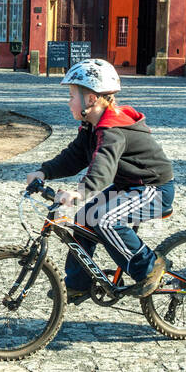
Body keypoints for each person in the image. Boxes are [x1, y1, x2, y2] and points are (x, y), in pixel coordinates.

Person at [26, 58, 174, 303]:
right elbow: (74, 157)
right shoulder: (91, 126)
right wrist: (44, 172)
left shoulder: (112, 129)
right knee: (84, 218)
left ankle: (149, 268)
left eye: (72, 95)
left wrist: (80, 192)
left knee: (105, 220)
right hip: (129, 188)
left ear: (91, 99)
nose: (69, 101)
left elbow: (103, 167)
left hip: (154, 189)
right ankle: (78, 284)